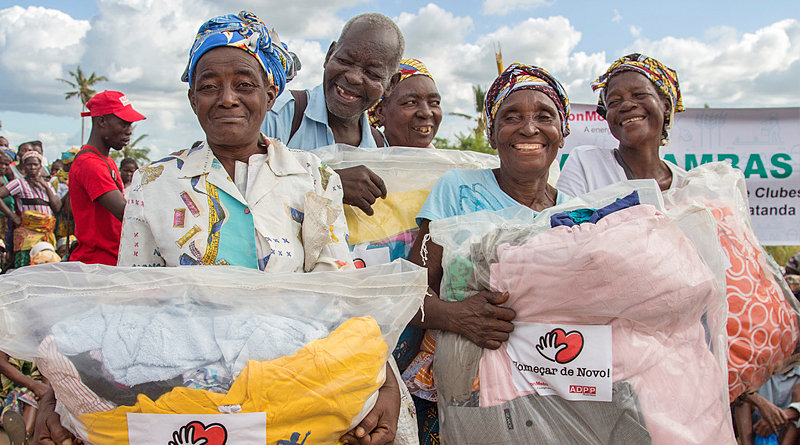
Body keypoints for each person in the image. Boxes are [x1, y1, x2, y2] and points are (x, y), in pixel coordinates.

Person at [35, 11, 403, 445]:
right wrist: (59, 391)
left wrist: (385, 382)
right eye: (209, 86)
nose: (227, 99)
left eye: (244, 85)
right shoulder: (154, 183)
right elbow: (131, 303)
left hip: (296, 385)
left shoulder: (314, 178)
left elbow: (339, 296)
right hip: (184, 392)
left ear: (270, 93)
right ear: (193, 98)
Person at [404, 63, 573, 444]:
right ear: (492, 134)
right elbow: (407, 291)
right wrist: (456, 316)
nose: (528, 128)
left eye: (544, 116)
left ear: (562, 133)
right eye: (511, 117)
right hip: (461, 390)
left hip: (550, 390)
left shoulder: (574, 213)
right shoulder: (458, 190)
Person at [263, 13, 405, 216]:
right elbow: (242, 192)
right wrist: (329, 184)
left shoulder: (379, 148)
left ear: (391, 84)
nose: (354, 77)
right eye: (345, 60)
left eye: (372, 73)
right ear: (329, 55)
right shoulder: (279, 114)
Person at [557, 53, 686, 196]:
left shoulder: (688, 185)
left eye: (639, 95)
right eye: (614, 102)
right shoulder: (587, 164)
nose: (626, 105)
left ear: (666, 106)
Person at [68, 90, 145, 266]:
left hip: (110, 260)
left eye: (130, 125)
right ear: (102, 121)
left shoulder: (105, 160)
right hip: (98, 263)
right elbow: (125, 212)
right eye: (124, 124)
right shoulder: (90, 163)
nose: (129, 132)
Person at [0, 151, 61, 268]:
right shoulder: (19, 183)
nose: (32, 167)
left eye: (35, 164)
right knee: (27, 264)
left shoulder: (47, 185)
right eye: (29, 164)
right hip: (27, 234)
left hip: (46, 233)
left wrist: (45, 186)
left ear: (40, 166)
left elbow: (57, 207)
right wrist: (12, 216)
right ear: (23, 166)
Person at [368, 58, 442, 148]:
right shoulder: (363, 154)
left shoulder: (437, 156)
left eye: (434, 102)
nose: (426, 113)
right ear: (381, 112)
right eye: (411, 102)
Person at [0, 351, 50, 445]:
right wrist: (35, 386)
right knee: (31, 393)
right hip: (4, 394)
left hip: (28, 394)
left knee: (32, 396)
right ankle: (22, 438)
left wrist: (45, 393)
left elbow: (47, 369)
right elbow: (2, 364)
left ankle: (22, 438)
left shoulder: (43, 345)